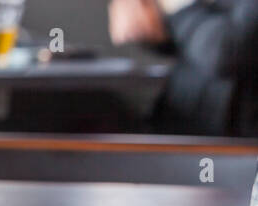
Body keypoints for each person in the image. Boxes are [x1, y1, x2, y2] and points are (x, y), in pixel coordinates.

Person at [108, 0, 258, 136]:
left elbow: (226, 52)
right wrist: (145, 20)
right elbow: (189, 43)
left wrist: (177, 6)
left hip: (239, 142)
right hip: (183, 131)